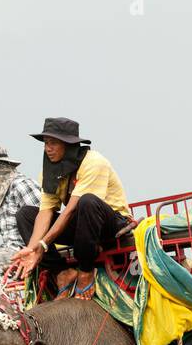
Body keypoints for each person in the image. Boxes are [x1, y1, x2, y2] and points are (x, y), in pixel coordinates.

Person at [8, 117, 132, 297]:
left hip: (111, 224)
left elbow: (71, 209)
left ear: (68, 145)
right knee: (25, 214)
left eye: (53, 143)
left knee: (87, 201)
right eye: (45, 143)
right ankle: (61, 273)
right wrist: (33, 247)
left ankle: (85, 271)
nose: (47, 148)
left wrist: (43, 243)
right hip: (81, 224)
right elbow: (45, 212)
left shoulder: (94, 162)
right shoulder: (50, 172)